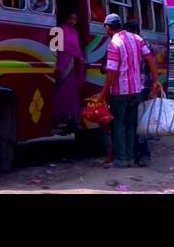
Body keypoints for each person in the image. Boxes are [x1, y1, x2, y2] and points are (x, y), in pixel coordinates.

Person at [99, 14, 161, 168]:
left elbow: (112, 72)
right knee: (131, 125)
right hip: (136, 90)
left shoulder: (114, 43)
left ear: (108, 27)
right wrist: (156, 80)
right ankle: (131, 158)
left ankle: (121, 159)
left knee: (118, 125)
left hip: (120, 92)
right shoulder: (136, 39)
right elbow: (150, 59)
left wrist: (103, 93)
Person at [124, 20, 159, 166]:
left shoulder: (140, 45)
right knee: (137, 123)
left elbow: (150, 67)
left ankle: (140, 154)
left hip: (137, 89)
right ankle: (138, 155)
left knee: (135, 123)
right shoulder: (144, 45)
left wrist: (153, 87)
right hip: (138, 88)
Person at [50, 10, 85, 129]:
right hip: (62, 65)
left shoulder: (75, 33)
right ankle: (59, 119)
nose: (72, 21)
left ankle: (70, 119)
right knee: (61, 93)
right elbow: (54, 46)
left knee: (71, 93)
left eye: (74, 19)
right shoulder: (59, 30)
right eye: (70, 18)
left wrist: (78, 57)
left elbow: (76, 48)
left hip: (71, 66)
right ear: (66, 18)